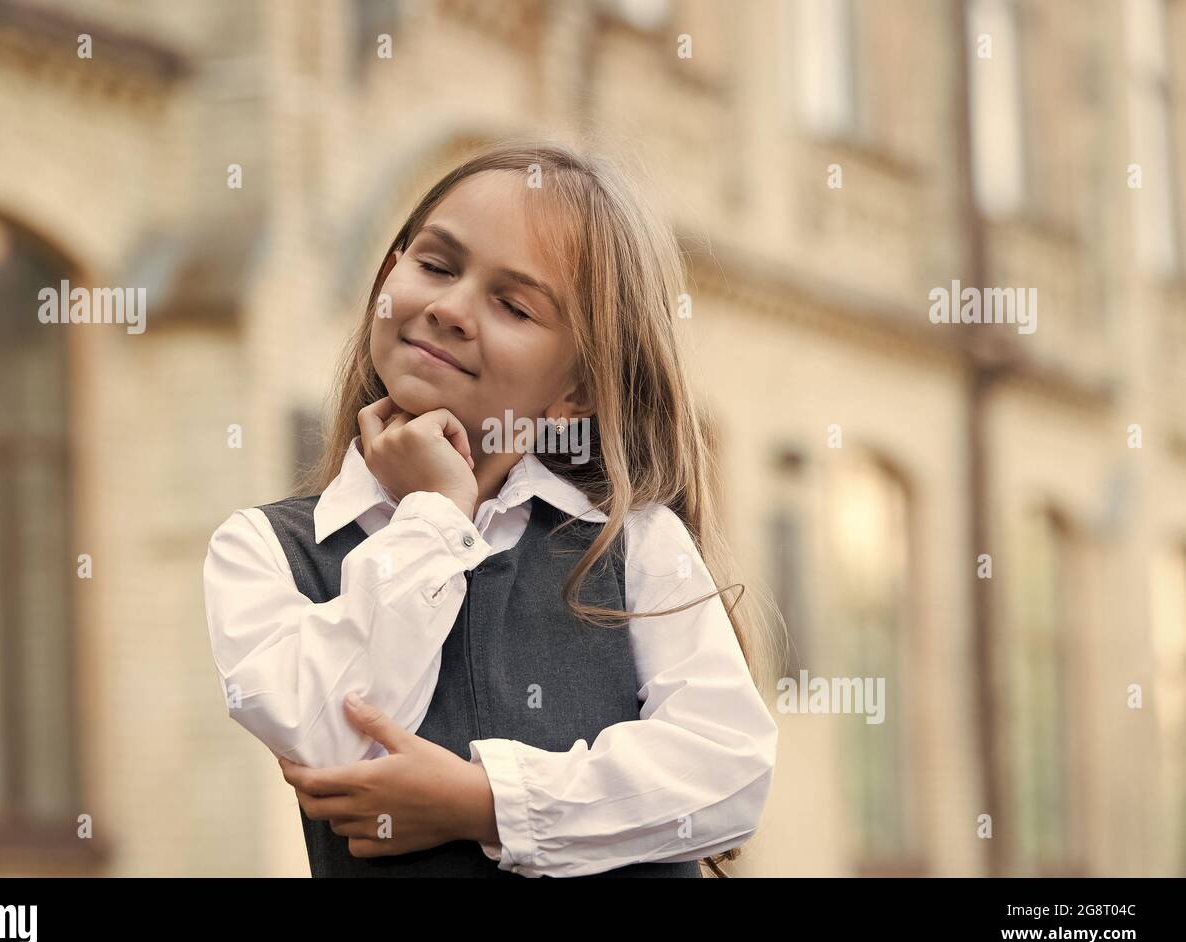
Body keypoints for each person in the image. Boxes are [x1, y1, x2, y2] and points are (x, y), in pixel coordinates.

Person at [202, 140, 781, 878]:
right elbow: (330, 739)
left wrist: (488, 804)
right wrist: (436, 514)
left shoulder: (634, 545)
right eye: (436, 266)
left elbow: (727, 772)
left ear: (578, 388)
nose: (449, 309)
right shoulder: (264, 550)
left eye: (513, 305)